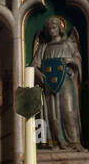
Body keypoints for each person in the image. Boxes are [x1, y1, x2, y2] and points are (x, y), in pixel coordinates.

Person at [32, 16, 82, 149]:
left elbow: (78, 58)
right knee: (53, 114)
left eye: (54, 27)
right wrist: (39, 74)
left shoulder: (68, 44)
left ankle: (74, 141)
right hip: (49, 84)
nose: (52, 30)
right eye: (49, 29)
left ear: (60, 28)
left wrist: (70, 60)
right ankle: (57, 141)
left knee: (69, 110)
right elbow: (33, 66)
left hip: (65, 81)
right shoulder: (44, 47)